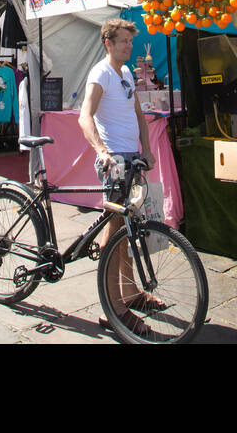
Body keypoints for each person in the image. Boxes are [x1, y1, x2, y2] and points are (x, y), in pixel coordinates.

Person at [78, 17, 153, 336]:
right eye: (124, 41)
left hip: (132, 157)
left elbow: (138, 114)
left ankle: (131, 290)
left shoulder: (125, 73)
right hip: (115, 160)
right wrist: (101, 151)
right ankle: (113, 308)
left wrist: (147, 149)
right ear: (108, 43)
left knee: (129, 228)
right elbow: (85, 115)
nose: (129, 46)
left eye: (131, 41)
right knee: (114, 232)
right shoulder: (101, 73)